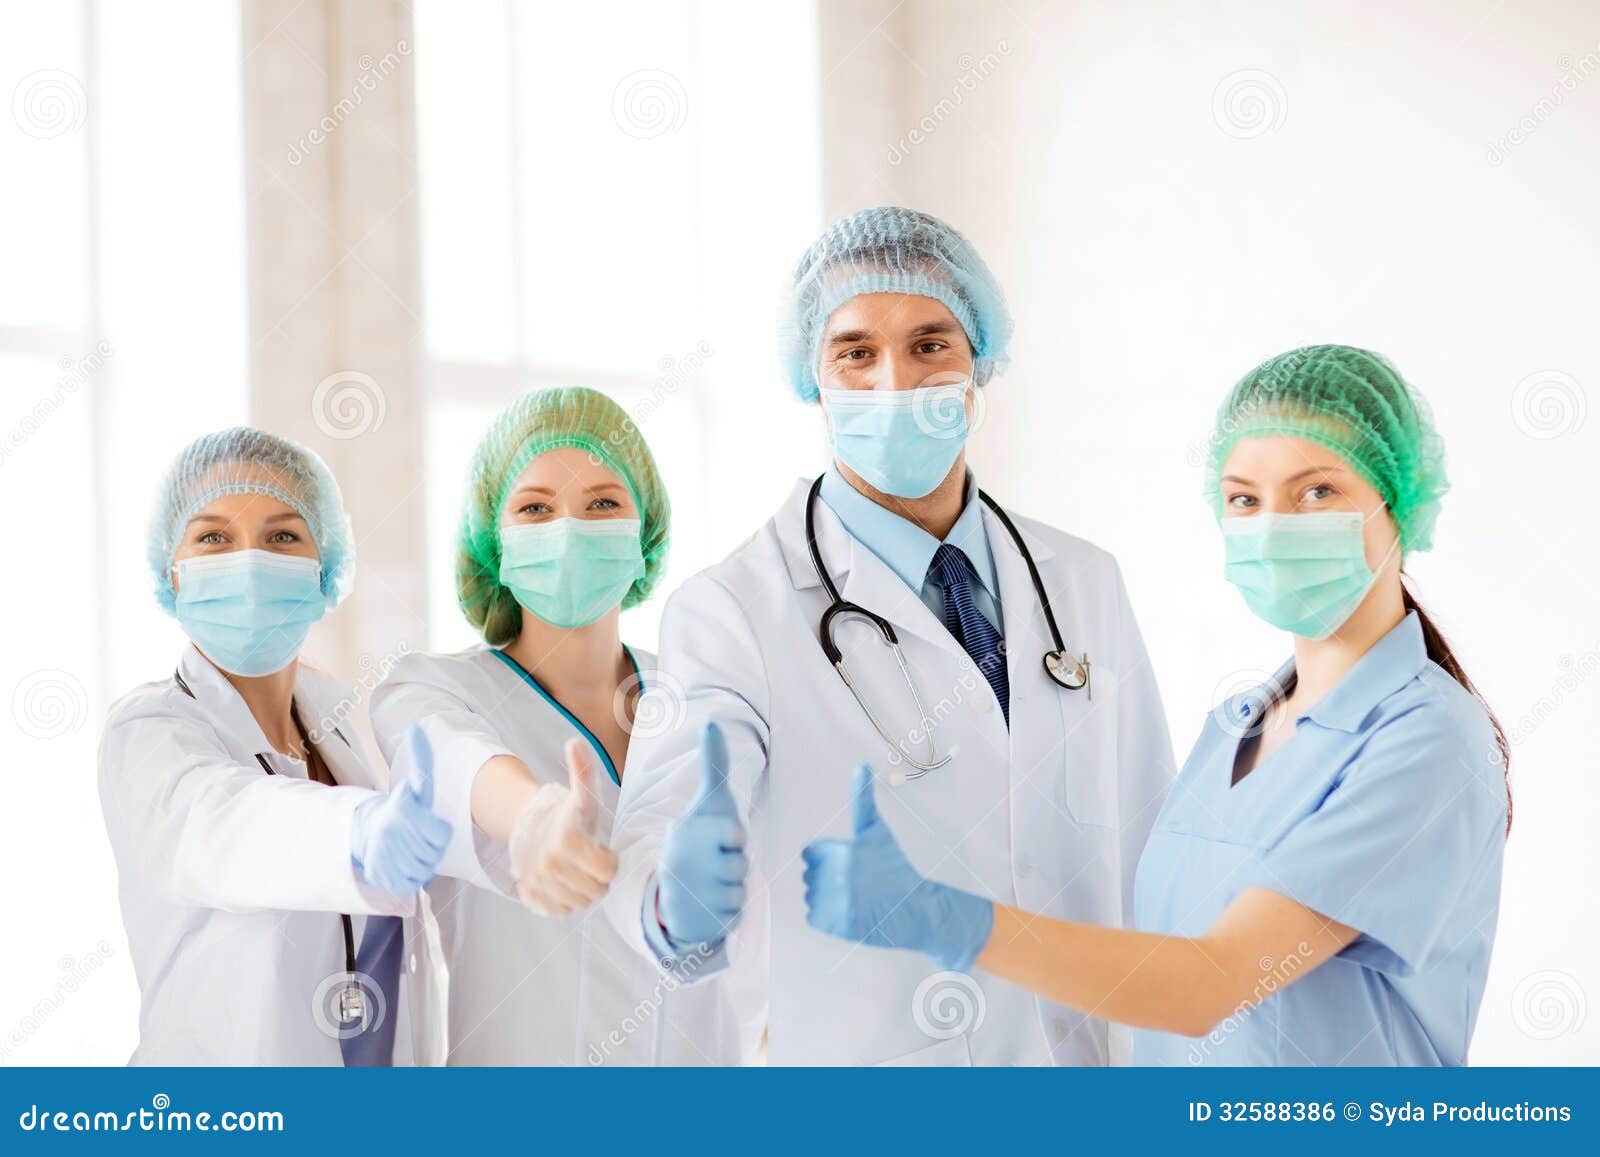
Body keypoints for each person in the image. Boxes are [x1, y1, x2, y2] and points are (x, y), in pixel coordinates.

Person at [802, 344, 1510, 1066]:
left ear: (1401, 501)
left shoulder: (1430, 741)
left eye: (1318, 491)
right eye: (1244, 498)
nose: (1273, 525)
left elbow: (1210, 984)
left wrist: (946, 915)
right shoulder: (1238, 724)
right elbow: (1155, 974)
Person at [602, 206, 1177, 1065]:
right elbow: (667, 811)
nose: (895, 380)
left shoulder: (1083, 581)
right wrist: (671, 896)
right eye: (857, 350)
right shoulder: (733, 609)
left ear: (980, 356)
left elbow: (1150, 840)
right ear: (814, 376)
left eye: (931, 342)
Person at [369, 387, 734, 1065]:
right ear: (493, 540)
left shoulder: (703, 697)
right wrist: (534, 816)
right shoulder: (430, 689)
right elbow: (451, 762)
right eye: (535, 507)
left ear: (644, 528)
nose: (570, 528)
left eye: (603, 503)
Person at [98, 427, 452, 1065]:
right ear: (169, 573)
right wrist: (359, 833)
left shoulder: (338, 721)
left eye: (283, 536)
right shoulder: (150, 731)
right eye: (213, 537)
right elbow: (226, 821)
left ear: (326, 570)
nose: (249, 561)